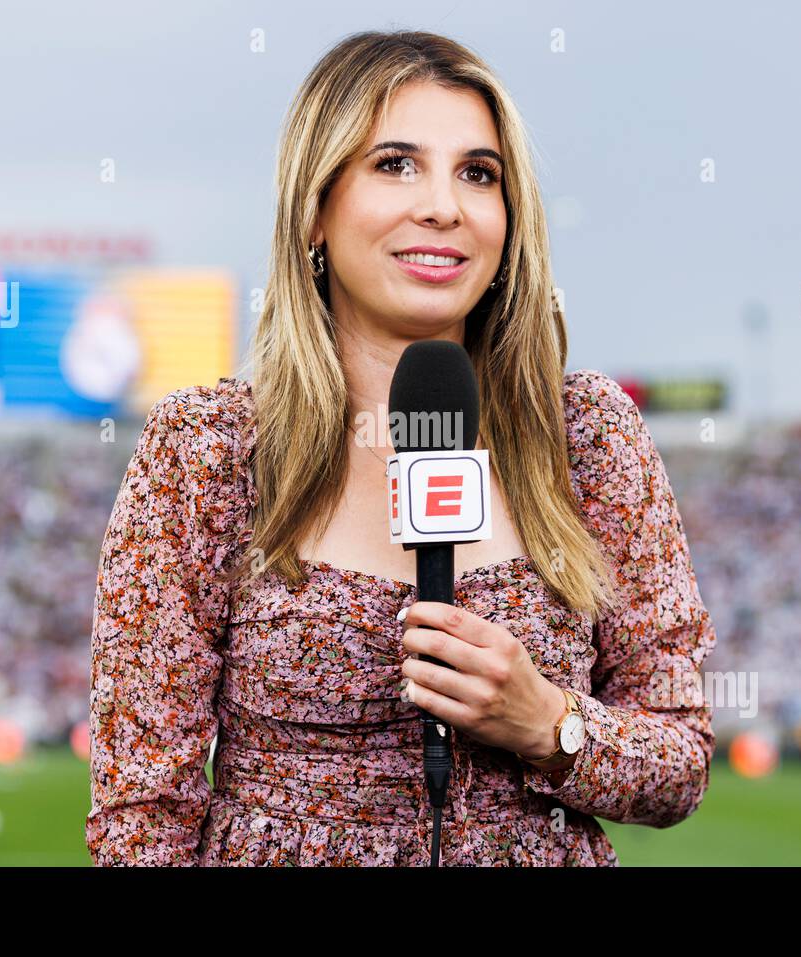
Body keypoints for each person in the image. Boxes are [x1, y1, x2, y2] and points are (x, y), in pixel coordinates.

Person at [85, 29, 717, 866]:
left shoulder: (589, 433)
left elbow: (679, 762)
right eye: (395, 164)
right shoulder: (205, 449)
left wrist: (548, 723)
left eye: (478, 174)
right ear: (315, 207)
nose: (443, 206)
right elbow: (141, 814)